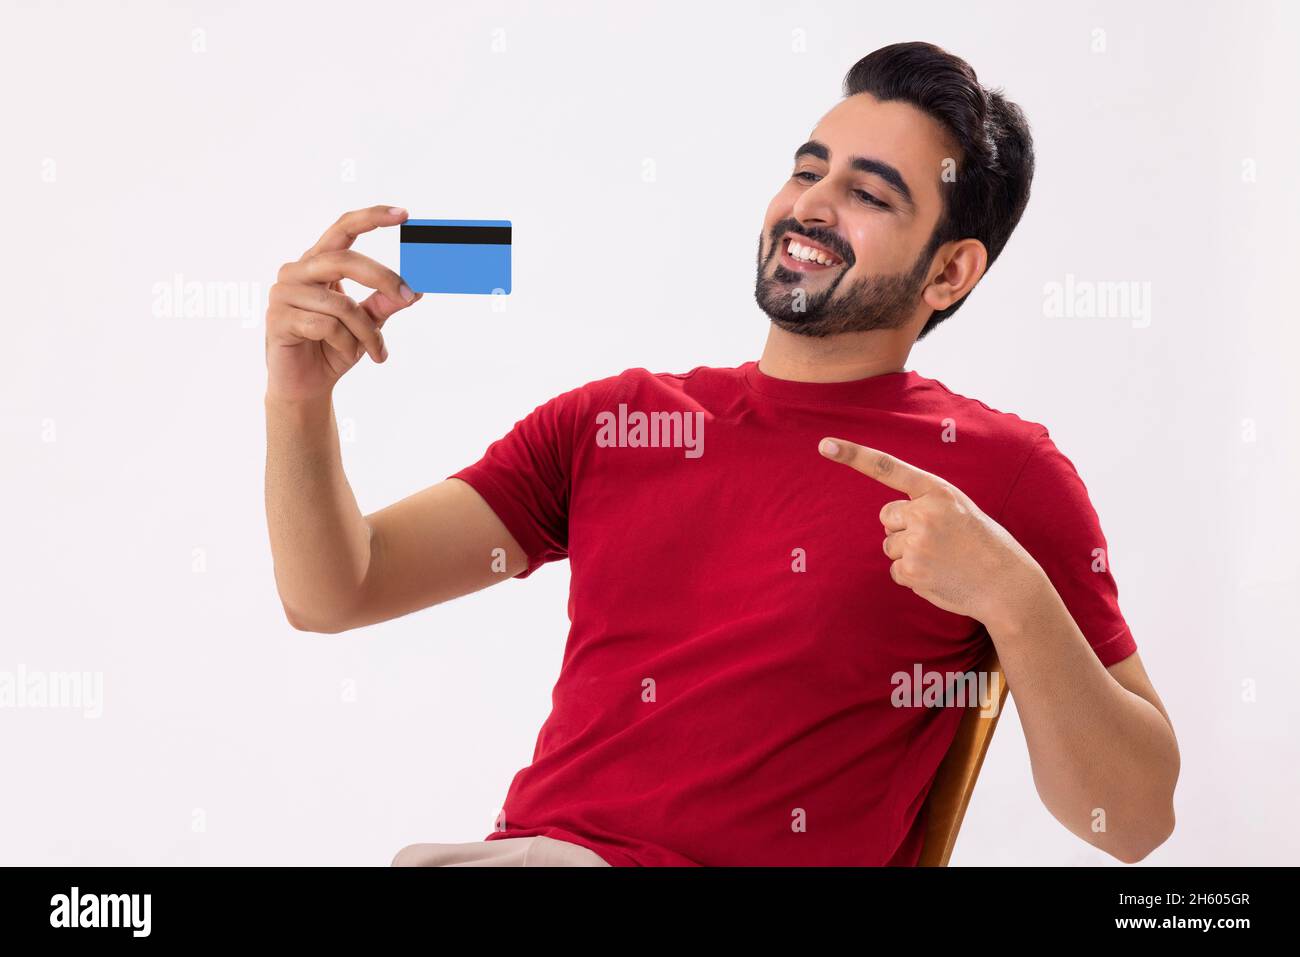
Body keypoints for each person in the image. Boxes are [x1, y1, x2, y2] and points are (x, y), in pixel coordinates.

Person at [263, 41, 1179, 867]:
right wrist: (299, 400)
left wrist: (1013, 598)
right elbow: (338, 589)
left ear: (950, 271)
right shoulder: (617, 420)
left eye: (867, 193)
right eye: (806, 171)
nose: (811, 206)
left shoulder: (997, 471)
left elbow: (1131, 821)